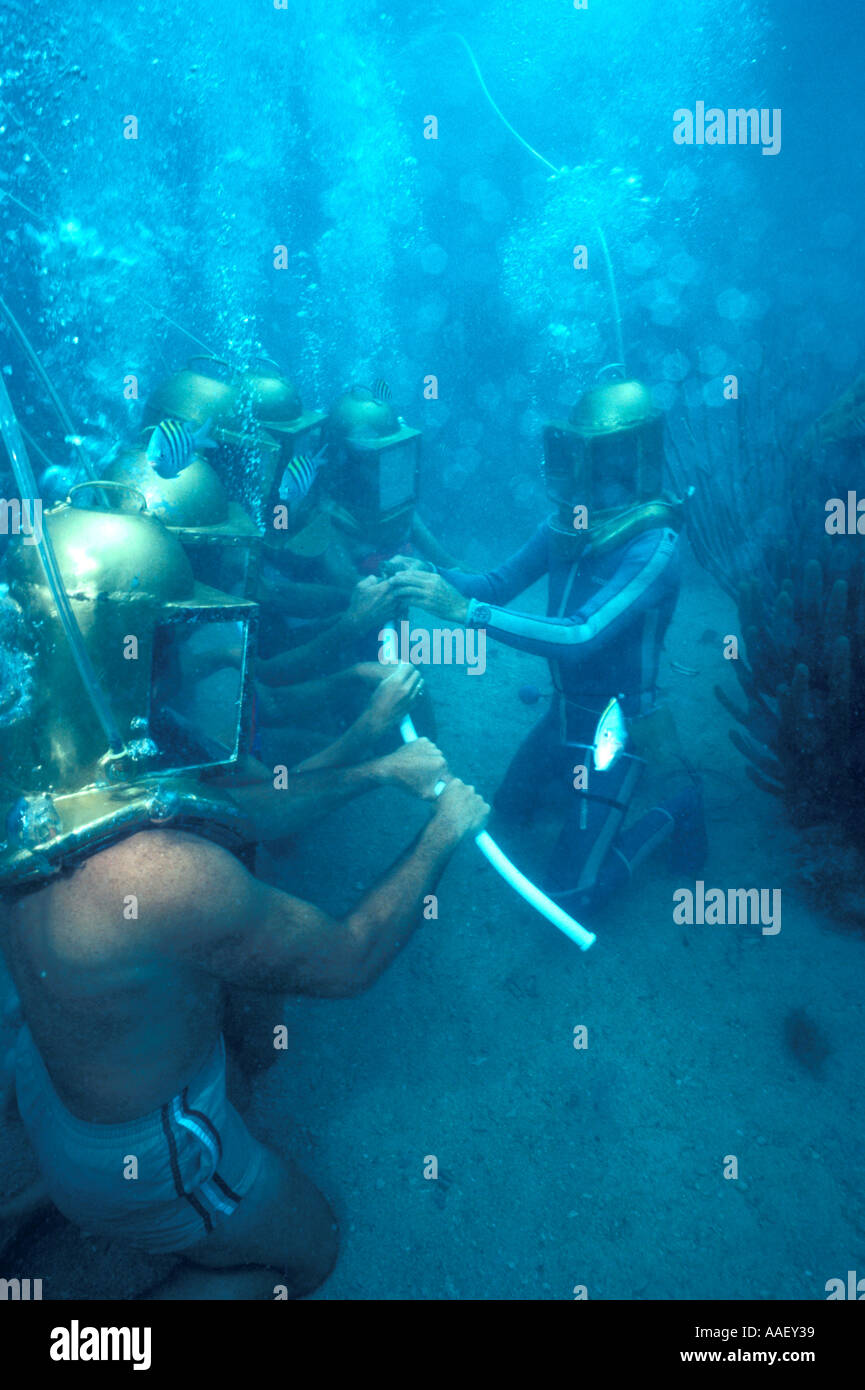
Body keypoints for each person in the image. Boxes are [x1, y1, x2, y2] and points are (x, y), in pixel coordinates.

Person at [0, 491, 488, 1297]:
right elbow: (346, 960)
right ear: (127, 653)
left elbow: (245, 806)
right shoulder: (157, 871)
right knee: (309, 1252)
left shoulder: (34, 787)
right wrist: (441, 835)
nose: (186, 662)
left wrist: (370, 764)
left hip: (48, 1083)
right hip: (142, 1149)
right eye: (166, 644)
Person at [389, 375, 706, 920]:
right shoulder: (568, 525)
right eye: (580, 453)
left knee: (569, 898)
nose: (585, 472)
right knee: (509, 814)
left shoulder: (657, 544)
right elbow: (494, 584)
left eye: (600, 458)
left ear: (629, 459)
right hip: (565, 714)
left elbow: (581, 636)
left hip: (620, 723)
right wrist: (428, 573)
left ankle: (676, 805)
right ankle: (593, 800)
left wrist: (462, 611)